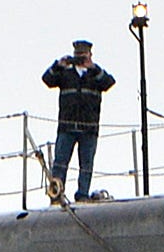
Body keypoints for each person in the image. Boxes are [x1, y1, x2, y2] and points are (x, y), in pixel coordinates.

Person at [41, 39, 117, 204]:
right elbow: (47, 79)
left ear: (90, 56)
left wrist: (94, 68)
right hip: (67, 127)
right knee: (60, 162)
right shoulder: (65, 74)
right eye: (77, 56)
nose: (80, 59)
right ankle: (56, 193)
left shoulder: (95, 75)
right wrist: (58, 65)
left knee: (86, 164)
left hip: (88, 128)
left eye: (83, 56)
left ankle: (82, 193)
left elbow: (109, 83)